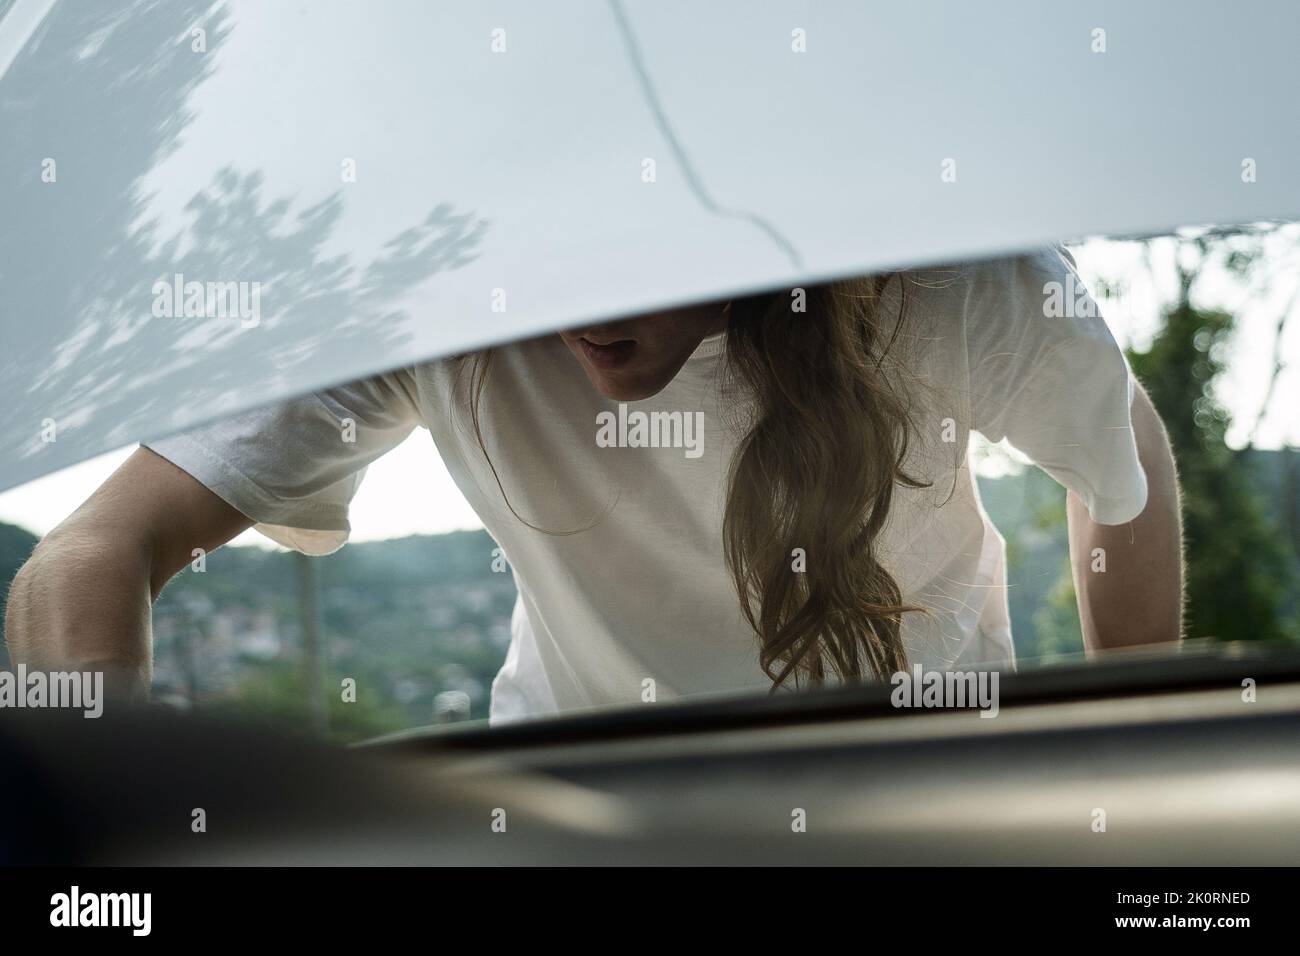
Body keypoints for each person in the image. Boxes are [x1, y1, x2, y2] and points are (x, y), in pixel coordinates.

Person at [5, 247, 1183, 722]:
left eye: (646, 249)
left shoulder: (964, 283)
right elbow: (88, 554)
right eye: (550, 257)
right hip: (587, 786)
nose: (590, 314)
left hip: (915, 778)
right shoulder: (425, 298)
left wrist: (1135, 722)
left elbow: (1121, 444)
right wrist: (106, 845)